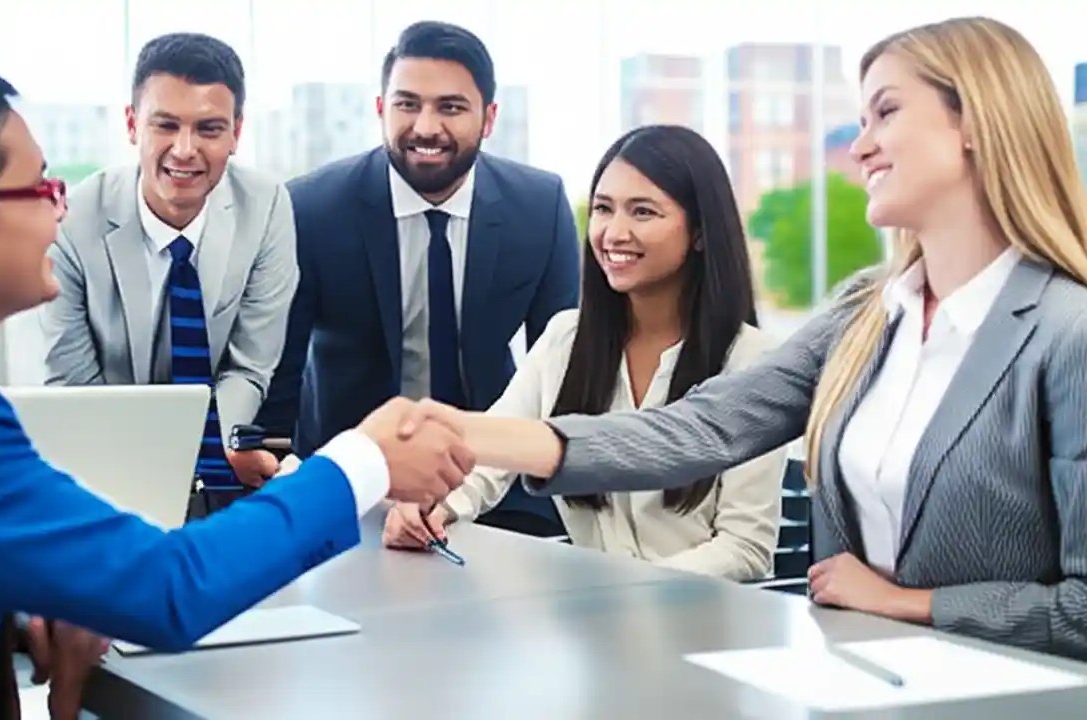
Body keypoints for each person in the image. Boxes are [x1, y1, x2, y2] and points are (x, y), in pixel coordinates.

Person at [395, 16, 1087, 660]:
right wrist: (456, 430)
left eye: (887, 112)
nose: (861, 146)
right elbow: (698, 431)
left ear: (976, 123)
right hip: (862, 674)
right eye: (861, 120)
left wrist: (913, 605)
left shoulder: (1068, 333)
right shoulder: (867, 313)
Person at [0, 59, 470, 720]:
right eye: (39, 189)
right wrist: (364, 459)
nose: (60, 208)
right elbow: (169, 587)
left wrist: (25, 597)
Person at [383, 126, 785, 581]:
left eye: (643, 212)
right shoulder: (565, 339)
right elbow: (493, 454)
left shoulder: (752, 361)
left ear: (699, 232)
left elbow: (745, 547)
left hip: (694, 614)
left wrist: (630, 593)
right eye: (603, 209)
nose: (614, 233)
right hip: (591, 613)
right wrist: (435, 506)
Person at [243, 21, 579, 532]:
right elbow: (279, 370)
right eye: (407, 104)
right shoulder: (311, 209)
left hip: (495, 481)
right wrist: (280, 476)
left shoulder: (539, 207)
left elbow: (561, 372)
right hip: (351, 478)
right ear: (381, 108)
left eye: (451, 107)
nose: (426, 127)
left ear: (489, 118)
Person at [37, 33, 296, 513]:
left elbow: (249, 367)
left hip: (216, 456)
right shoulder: (72, 222)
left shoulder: (266, 207)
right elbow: (74, 386)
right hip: (104, 471)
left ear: (237, 133)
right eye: (166, 125)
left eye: (209, 129)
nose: (184, 149)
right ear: (132, 124)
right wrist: (160, 466)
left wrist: (198, 458)